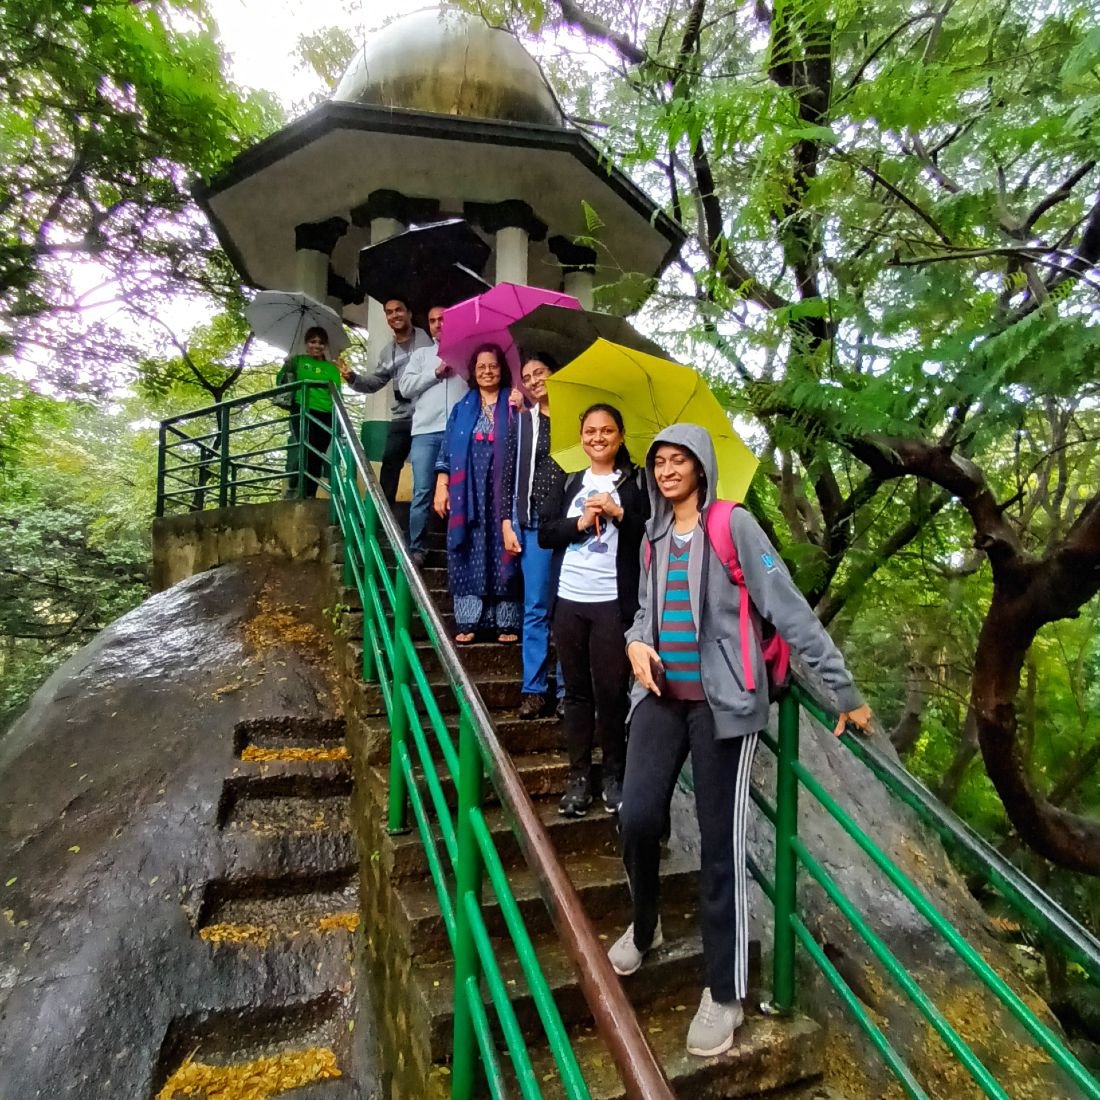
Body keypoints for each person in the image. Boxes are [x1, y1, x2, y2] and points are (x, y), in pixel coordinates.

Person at [610, 423, 873, 1059]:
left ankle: (724, 991)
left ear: (701, 467)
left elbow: (787, 608)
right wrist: (634, 641)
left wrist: (843, 691)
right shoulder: (650, 534)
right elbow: (643, 610)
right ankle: (645, 922)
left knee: (721, 846)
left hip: (723, 707)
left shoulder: (735, 525)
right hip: (660, 699)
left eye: (679, 461)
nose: (668, 470)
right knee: (636, 816)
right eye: (660, 462)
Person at [539, 404, 649, 818]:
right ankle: (579, 777)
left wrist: (619, 513)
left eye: (606, 431)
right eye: (590, 431)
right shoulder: (569, 480)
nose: (597, 438)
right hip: (569, 600)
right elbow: (547, 533)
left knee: (611, 694)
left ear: (620, 436)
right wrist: (581, 523)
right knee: (577, 692)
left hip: (611, 605)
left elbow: (649, 533)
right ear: (581, 436)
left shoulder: (635, 482)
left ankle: (614, 776)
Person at [433, 343, 522, 645]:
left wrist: (521, 409)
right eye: (481, 366)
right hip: (466, 493)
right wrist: (442, 486)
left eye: (493, 365)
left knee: (503, 550)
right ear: (473, 372)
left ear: (502, 369)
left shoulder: (513, 403)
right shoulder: (463, 406)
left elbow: (527, 443)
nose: (487, 371)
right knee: (468, 550)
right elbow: (447, 448)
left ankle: (506, 621)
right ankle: (470, 620)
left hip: (503, 492)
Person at [501, 353, 564, 720]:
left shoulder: (578, 420)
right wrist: (509, 522)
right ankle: (534, 689)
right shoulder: (524, 422)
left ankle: (568, 691)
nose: (535, 379)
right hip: (534, 524)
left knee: (569, 612)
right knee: (536, 609)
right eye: (527, 376)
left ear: (555, 374)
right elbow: (509, 475)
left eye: (541, 372)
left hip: (574, 528)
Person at [341, 297, 432, 506]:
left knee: (426, 467)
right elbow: (375, 382)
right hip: (401, 417)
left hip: (426, 416)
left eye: (398, 310)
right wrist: (353, 377)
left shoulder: (426, 340)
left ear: (409, 313)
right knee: (390, 463)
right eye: (389, 312)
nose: (394, 316)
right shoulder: (387, 352)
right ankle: (383, 514)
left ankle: (429, 518)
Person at [398, 304, 467, 567]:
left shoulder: (466, 352)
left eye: (443, 319)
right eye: (432, 320)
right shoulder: (421, 355)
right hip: (425, 433)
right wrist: (434, 373)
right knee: (423, 490)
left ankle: (458, 547)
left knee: (460, 490)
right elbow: (405, 388)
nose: (438, 324)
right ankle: (417, 547)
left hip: (459, 432)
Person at [275, 326, 345, 498]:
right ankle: (293, 485)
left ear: (325, 346)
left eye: (321, 343)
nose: (317, 345)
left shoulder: (331, 368)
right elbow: (281, 381)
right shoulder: (297, 361)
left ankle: (309, 494)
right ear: (306, 344)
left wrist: (340, 417)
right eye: (313, 341)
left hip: (326, 413)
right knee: (307, 448)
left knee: (317, 455)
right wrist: (286, 367)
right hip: (302, 410)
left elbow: (337, 392)